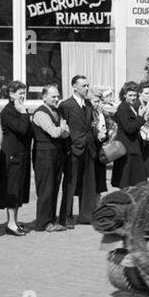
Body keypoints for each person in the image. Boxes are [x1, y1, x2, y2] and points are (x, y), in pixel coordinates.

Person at [58, 75, 99, 227]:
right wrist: (67, 149)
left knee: (88, 183)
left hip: (88, 149)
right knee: (70, 184)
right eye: (84, 86)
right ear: (74, 87)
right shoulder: (66, 105)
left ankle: (86, 215)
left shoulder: (88, 104)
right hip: (73, 149)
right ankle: (66, 217)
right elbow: (63, 127)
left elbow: (89, 126)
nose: (87, 88)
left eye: (88, 85)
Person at [0, 81, 33, 236]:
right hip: (12, 156)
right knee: (12, 189)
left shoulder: (19, 109)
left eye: (24, 93)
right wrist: (24, 112)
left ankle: (14, 222)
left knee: (19, 190)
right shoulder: (9, 111)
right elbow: (22, 129)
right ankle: (10, 224)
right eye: (20, 93)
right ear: (11, 94)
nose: (23, 96)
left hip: (21, 155)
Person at [32, 83, 69, 232]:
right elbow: (54, 132)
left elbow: (66, 133)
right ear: (44, 97)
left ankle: (51, 220)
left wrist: (62, 129)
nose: (56, 99)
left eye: (58, 96)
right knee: (46, 189)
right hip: (44, 155)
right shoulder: (40, 113)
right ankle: (43, 223)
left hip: (56, 154)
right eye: (53, 96)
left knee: (54, 187)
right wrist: (62, 128)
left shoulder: (56, 112)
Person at [110, 81, 149, 185]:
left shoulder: (130, 107)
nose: (133, 98)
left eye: (135, 95)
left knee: (134, 182)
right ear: (124, 95)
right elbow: (129, 128)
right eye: (130, 95)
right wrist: (141, 118)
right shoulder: (123, 108)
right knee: (130, 182)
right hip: (127, 149)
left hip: (132, 148)